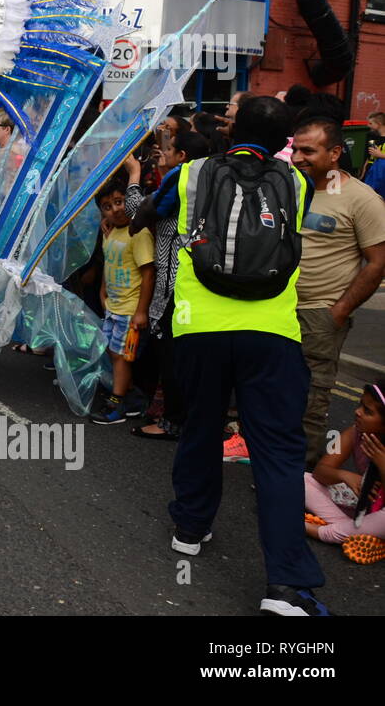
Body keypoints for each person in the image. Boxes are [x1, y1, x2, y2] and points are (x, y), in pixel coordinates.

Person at [157, 95, 328, 616]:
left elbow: (150, 214)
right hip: (271, 329)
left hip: (199, 327)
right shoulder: (297, 183)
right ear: (286, 144)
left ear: (231, 131)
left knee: (202, 426)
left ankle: (190, 526)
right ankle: (285, 586)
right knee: (277, 453)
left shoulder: (192, 174)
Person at [290, 116, 385, 469]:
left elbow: (377, 263)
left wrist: (340, 311)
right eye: (295, 148)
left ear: (334, 153)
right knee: (274, 394)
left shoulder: (362, 199)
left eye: (308, 150)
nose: (298, 157)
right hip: (276, 310)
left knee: (310, 401)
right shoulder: (290, 188)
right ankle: (278, 467)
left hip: (320, 314)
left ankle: (299, 480)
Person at [126, 130, 211, 440]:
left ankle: (171, 421)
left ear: (183, 157)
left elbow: (137, 210)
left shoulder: (181, 183)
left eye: (169, 148)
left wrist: (134, 174)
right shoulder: (207, 182)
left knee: (171, 355)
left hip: (174, 285)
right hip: (195, 284)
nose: (162, 152)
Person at [88, 178, 155, 425]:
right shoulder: (110, 231)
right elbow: (109, 261)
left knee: (121, 356)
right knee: (114, 353)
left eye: (119, 202)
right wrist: (102, 293)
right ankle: (132, 398)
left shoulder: (139, 233)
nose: (115, 209)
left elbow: (148, 273)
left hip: (130, 309)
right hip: (113, 306)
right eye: (107, 206)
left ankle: (117, 404)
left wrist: (141, 311)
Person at [304, 384, 385, 555]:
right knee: (300, 479)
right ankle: (354, 532)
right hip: (363, 507)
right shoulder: (354, 432)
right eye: (360, 405)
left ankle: (318, 530)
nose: (358, 412)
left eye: (368, 411)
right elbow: (320, 471)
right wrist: (345, 475)